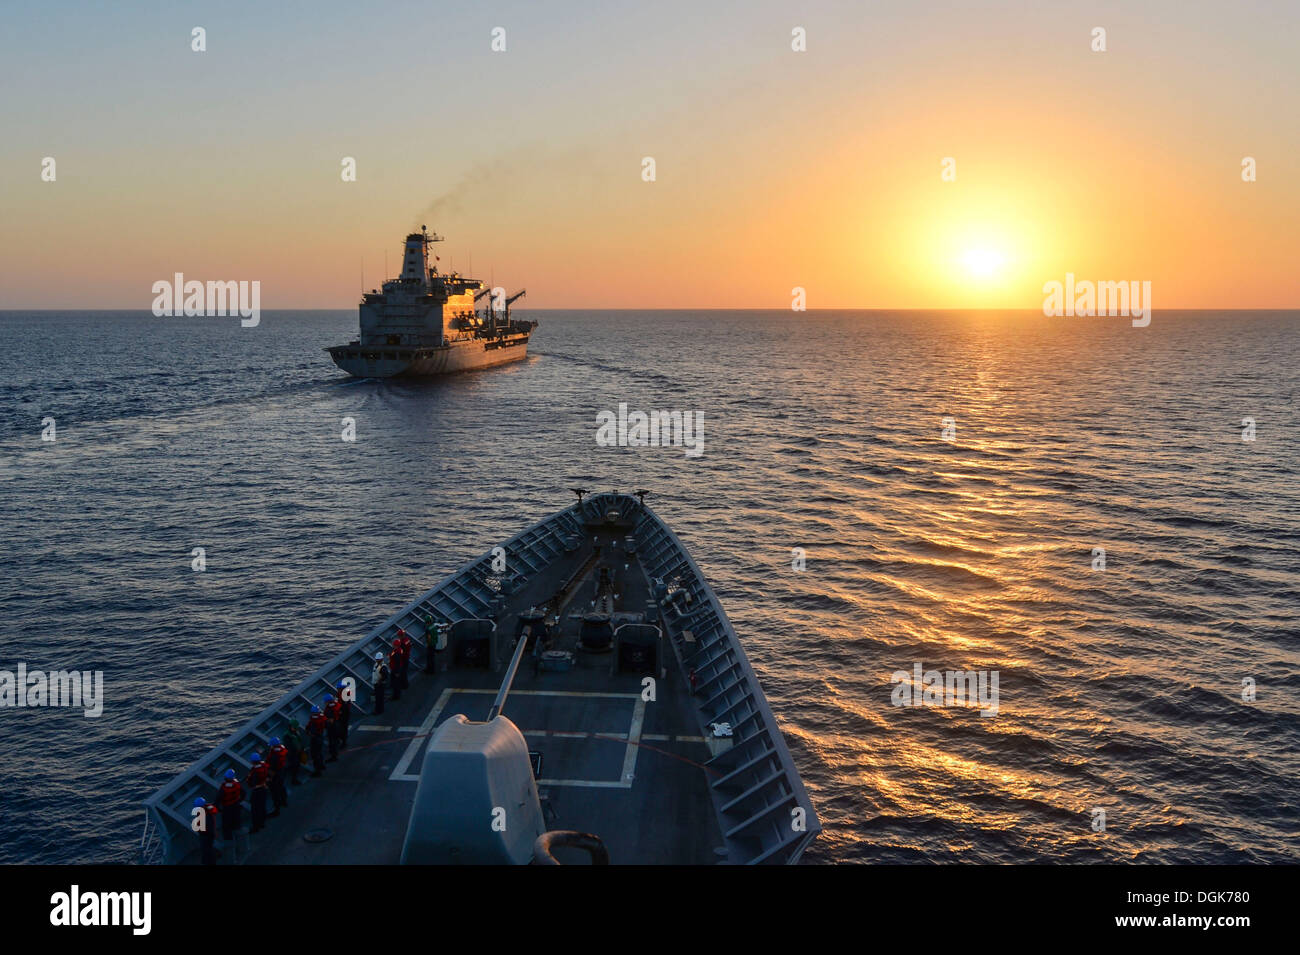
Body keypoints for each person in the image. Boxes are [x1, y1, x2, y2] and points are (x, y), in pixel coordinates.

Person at [245, 752, 270, 834]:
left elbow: (251, 783)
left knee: (255, 810)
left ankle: (256, 827)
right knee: (262, 806)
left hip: (257, 790)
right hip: (264, 788)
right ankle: (262, 823)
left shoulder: (254, 771)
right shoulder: (264, 766)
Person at [218, 769, 243, 843]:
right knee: (236, 821)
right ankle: (239, 838)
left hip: (227, 808)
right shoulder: (237, 784)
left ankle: (229, 841)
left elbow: (218, 798)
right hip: (236, 805)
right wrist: (239, 800)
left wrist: (219, 809)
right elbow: (243, 793)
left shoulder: (223, 788)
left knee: (226, 825)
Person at [193, 796, 219, 866]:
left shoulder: (205, 815)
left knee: (207, 849)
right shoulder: (208, 810)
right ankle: (206, 861)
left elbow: (207, 826)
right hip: (208, 833)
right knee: (207, 848)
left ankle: (210, 862)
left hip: (206, 835)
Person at [267, 737, 289, 816]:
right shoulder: (282, 750)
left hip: (276, 774)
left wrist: (269, 778)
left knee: (275, 792)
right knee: (282, 787)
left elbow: (271, 768)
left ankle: (277, 810)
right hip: (282, 771)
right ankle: (284, 801)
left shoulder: (274, 756)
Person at [307, 706, 327, 777]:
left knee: (315, 755)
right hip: (320, 737)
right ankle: (322, 765)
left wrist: (309, 732)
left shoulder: (313, 720)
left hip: (315, 739)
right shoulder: (322, 718)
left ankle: (317, 771)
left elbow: (311, 730)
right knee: (319, 752)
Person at [284, 720, 305, 785]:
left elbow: (299, 741)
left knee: (297, 765)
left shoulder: (295, 733)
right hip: (292, 754)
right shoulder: (287, 736)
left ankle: (295, 777)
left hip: (297, 752)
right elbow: (288, 746)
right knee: (294, 766)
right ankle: (294, 779)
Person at [323, 694, 341, 762]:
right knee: (335, 740)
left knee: (332, 742)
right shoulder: (336, 705)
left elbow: (330, 720)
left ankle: (334, 757)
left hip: (332, 728)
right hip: (337, 725)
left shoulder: (329, 710)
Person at [334, 681, 352, 749]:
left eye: (339, 688)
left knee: (343, 727)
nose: (337, 689)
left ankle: (344, 742)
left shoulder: (345, 695)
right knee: (339, 727)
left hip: (344, 713)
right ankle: (340, 739)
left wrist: (340, 711)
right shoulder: (339, 694)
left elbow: (345, 706)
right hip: (340, 712)